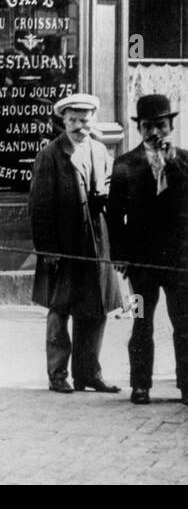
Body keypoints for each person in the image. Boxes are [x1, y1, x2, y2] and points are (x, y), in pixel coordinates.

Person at [29, 93, 123, 394]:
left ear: (92, 120)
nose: (79, 127)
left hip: (96, 243)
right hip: (64, 246)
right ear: (63, 121)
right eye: (73, 121)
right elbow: (40, 207)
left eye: (84, 121)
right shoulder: (51, 155)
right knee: (60, 310)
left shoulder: (99, 149)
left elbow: (110, 191)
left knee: (95, 309)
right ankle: (58, 375)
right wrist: (49, 250)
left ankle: (89, 375)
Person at [106, 94, 188, 405]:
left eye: (161, 125)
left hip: (180, 262)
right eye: (148, 126)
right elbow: (114, 215)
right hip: (140, 264)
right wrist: (120, 255)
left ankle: (186, 385)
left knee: (184, 324)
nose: (154, 132)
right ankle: (140, 385)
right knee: (141, 322)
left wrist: (172, 161)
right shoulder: (126, 164)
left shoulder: (185, 161)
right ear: (139, 127)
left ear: (170, 126)